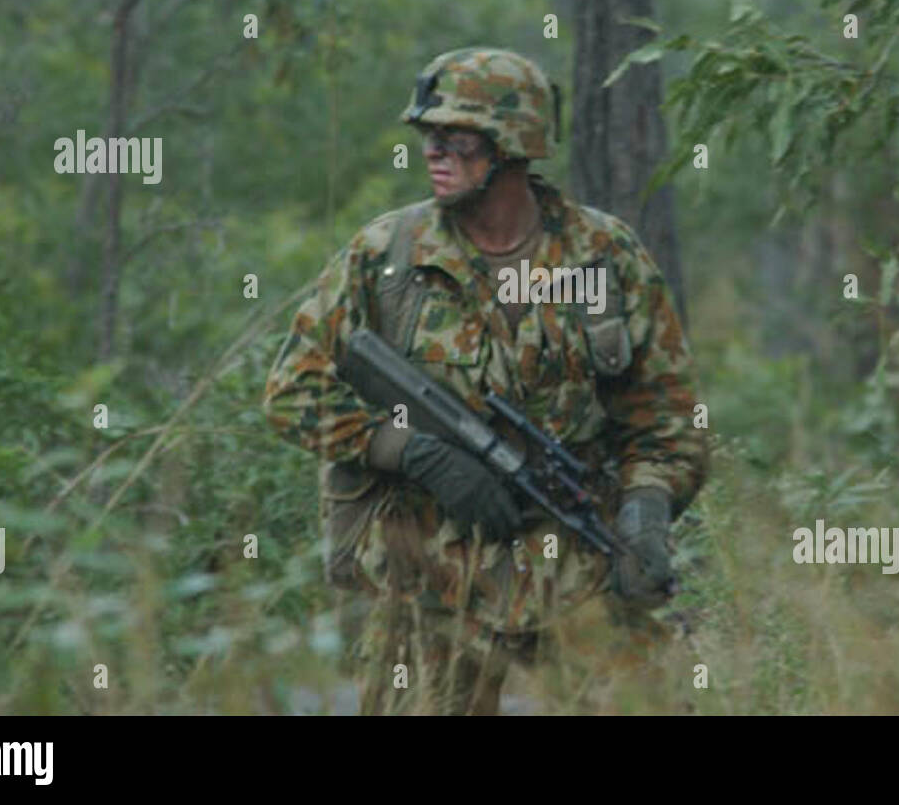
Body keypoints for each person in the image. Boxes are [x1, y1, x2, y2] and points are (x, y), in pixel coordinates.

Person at [262, 46, 707, 714]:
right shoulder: (389, 257)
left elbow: (667, 421)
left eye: (456, 138)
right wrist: (410, 448)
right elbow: (292, 390)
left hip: (570, 566)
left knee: (661, 699)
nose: (433, 151)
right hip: (428, 577)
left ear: (512, 145)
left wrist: (645, 512)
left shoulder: (603, 258)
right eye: (428, 136)